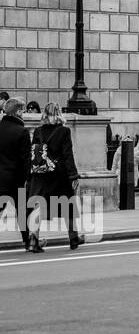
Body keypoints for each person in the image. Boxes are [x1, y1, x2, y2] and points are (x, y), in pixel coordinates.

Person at [28, 103, 83, 252]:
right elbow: (67, 155)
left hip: (40, 174)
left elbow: (33, 154)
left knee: (37, 207)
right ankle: (73, 238)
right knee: (67, 205)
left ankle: (33, 240)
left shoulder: (38, 131)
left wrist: (30, 174)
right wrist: (73, 176)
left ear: (44, 114)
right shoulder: (64, 131)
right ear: (59, 113)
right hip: (59, 174)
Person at [0, 98, 33, 251]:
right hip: (15, 179)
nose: (24, 113)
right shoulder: (22, 131)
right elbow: (25, 160)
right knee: (23, 213)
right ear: (18, 112)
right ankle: (29, 242)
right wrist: (26, 179)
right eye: (23, 111)